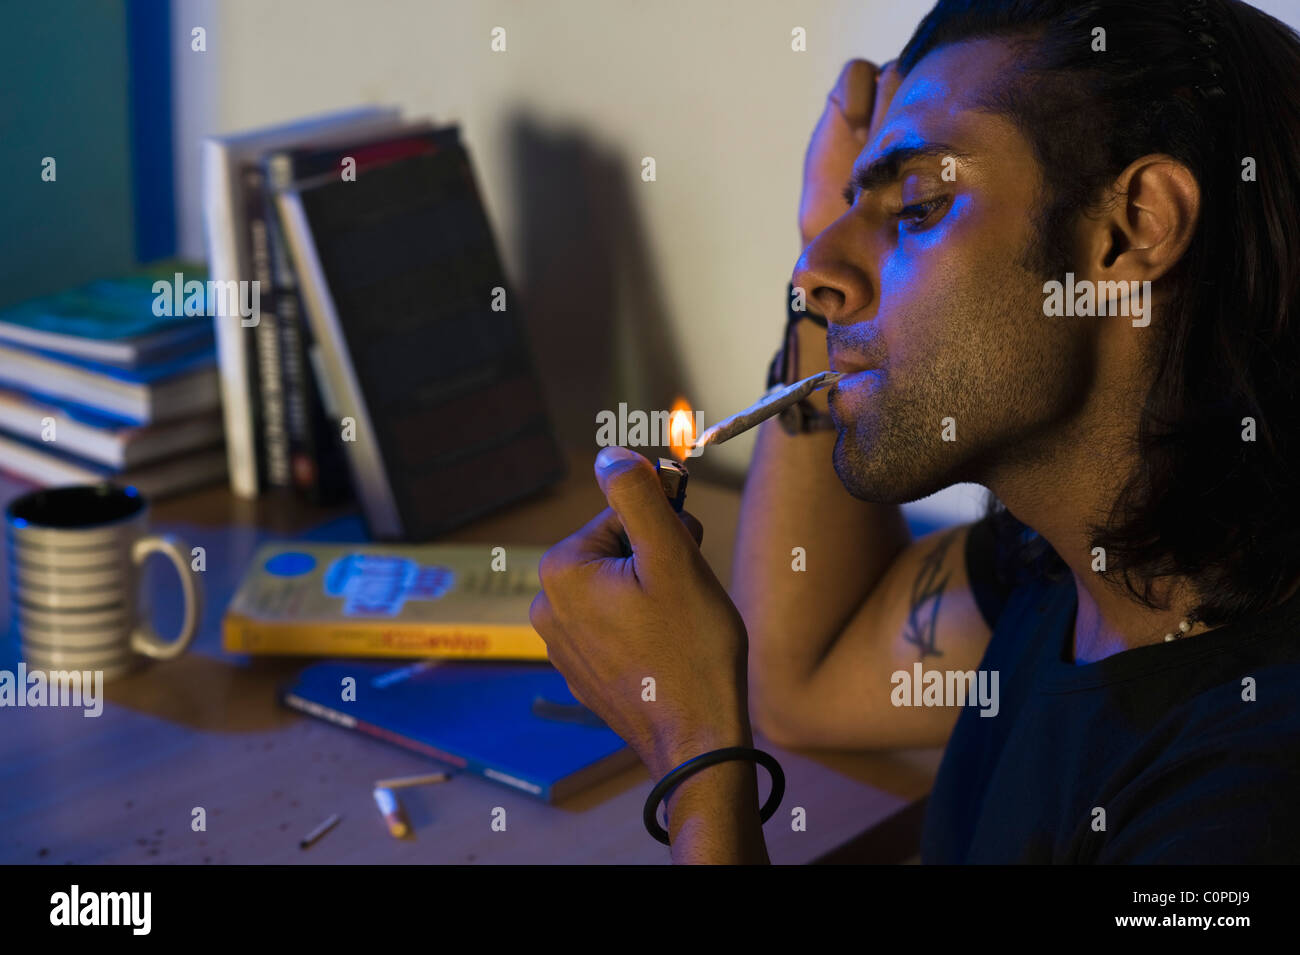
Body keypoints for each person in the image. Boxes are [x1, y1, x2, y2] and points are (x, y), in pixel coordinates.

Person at [528, 0, 1300, 864]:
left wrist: (696, 761)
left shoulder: (1249, 795)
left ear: (1132, 228)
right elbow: (805, 675)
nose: (807, 274)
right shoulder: (1079, 569)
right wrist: (834, 247)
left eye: (921, 204)